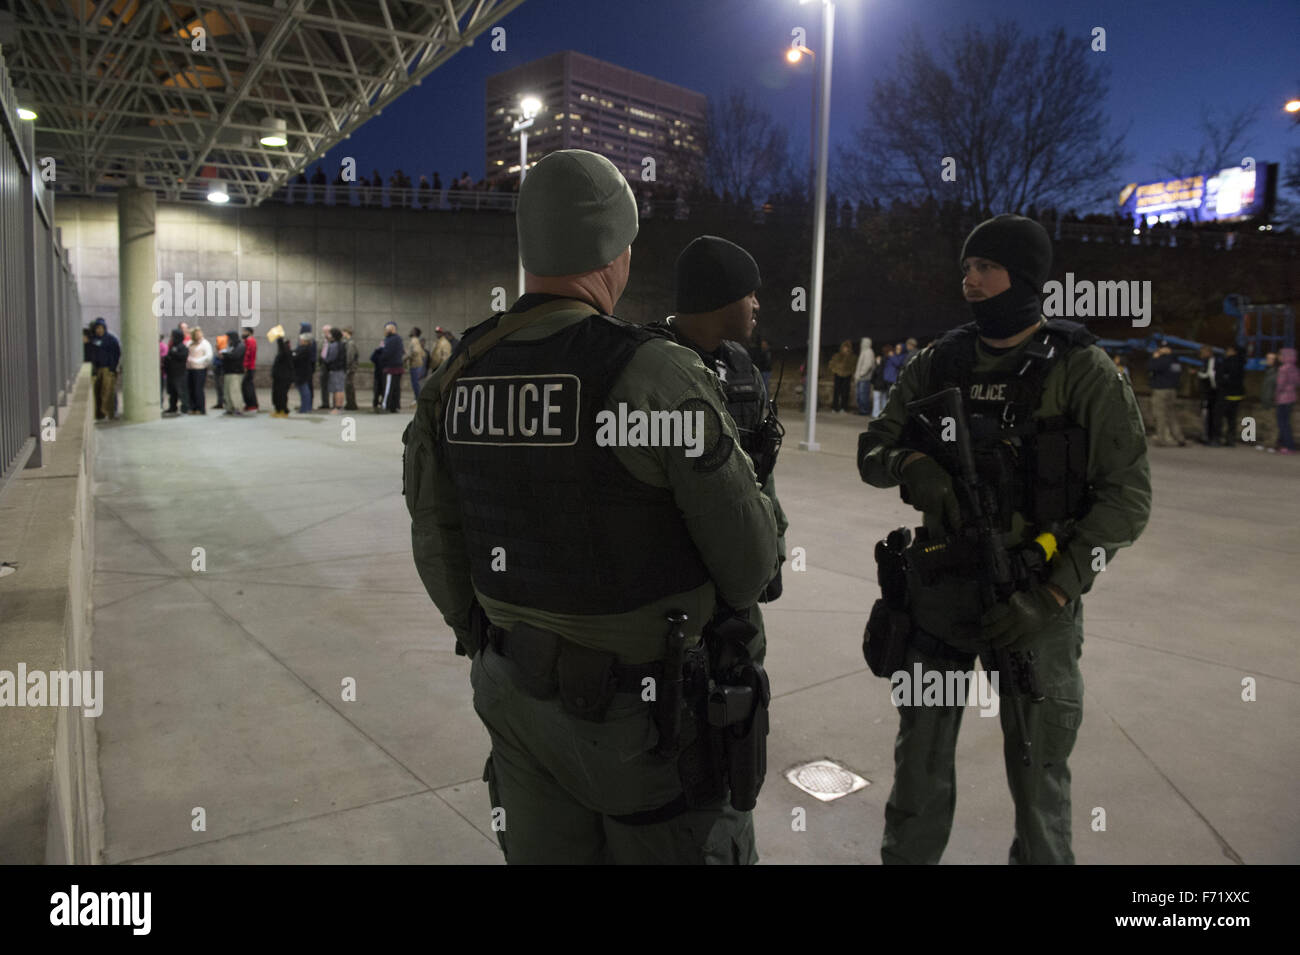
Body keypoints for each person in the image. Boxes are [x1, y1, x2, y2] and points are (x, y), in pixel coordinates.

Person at [402, 149, 778, 864]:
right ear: (615, 251)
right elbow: (751, 566)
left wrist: (494, 634)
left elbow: (436, 537)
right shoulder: (652, 372)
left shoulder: (458, 373)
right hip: (640, 725)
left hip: (515, 698)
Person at [857, 213, 1151, 865]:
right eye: (965, 268)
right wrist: (914, 467)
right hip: (938, 601)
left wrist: (1052, 591)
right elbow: (874, 446)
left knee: (1038, 775)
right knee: (919, 769)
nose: (970, 281)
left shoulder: (1083, 369)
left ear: (1024, 277)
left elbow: (1128, 498)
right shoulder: (942, 361)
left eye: (985, 267)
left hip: (1033, 604)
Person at [645, 234, 789, 666]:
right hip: (672, 583)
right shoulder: (650, 363)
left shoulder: (742, 367)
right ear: (720, 298)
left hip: (738, 575)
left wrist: (774, 546)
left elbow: (765, 472)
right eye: (749, 293)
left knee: (743, 702)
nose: (757, 304)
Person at [1148, 339, 1184, 447]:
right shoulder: (1176, 361)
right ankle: (1179, 437)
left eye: (1162, 348)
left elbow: (1150, 367)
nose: (1160, 350)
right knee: (1172, 415)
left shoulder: (1162, 360)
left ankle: (1162, 438)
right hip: (1172, 390)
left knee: (1160, 415)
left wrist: (1154, 358)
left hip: (1161, 390)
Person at [88, 317, 121, 421]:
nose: (99, 330)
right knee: (97, 392)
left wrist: (113, 368)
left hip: (108, 369)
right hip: (97, 369)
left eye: (101, 328)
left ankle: (110, 413)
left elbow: (117, 354)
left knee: (108, 392)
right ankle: (100, 414)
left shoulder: (111, 339)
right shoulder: (93, 340)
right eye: (97, 328)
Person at [1218, 344, 1245, 447]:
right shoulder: (1241, 363)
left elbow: (1223, 377)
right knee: (1232, 419)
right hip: (1238, 394)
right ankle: (1231, 439)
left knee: (1222, 417)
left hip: (1228, 393)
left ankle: (1221, 438)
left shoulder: (1228, 362)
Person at [1274, 348, 1298, 455]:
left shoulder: (1283, 369)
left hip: (1283, 398)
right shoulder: (1294, 368)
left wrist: (1276, 395)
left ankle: (1288, 445)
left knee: (1282, 423)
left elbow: (1280, 384)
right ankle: (1284, 444)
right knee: (1286, 422)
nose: (1279, 358)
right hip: (1292, 397)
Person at [1196, 344, 1221, 446]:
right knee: (1209, 416)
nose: (1201, 354)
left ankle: (1210, 437)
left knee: (1210, 416)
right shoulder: (1206, 362)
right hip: (1208, 393)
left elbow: (1209, 375)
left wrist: (1213, 387)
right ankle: (1208, 436)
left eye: (1203, 352)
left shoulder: (1210, 362)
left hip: (1210, 393)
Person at [377, 322, 405, 412]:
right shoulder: (399, 339)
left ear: (391, 329)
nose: (385, 331)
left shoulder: (390, 340)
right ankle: (395, 406)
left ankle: (386, 405)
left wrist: (381, 357)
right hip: (398, 367)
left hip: (391, 367)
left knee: (388, 388)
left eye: (386, 329)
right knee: (396, 388)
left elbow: (386, 353)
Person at [267, 325, 294, 418]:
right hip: (279, 378)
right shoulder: (282, 353)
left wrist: (279, 338)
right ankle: (278, 409)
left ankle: (283, 410)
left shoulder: (286, 353)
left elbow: (282, 348)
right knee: (277, 394)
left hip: (284, 378)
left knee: (281, 395)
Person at [185, 327, 212, 414]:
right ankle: (192, 407)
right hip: (190, 368)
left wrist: (198, 361)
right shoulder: (189, 343)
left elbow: (208, 356)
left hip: (200, 369)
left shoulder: (205, 343)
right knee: (191, 389)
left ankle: (200, 408)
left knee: (198, 389)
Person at [163, 329, 189, 415]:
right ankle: (172, 407)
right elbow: (169, 356)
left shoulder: (182, 347)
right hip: (171, 373)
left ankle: (185, 408)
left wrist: (174, 354)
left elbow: (182, 357)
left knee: (181, 391)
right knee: (172, 392)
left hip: (179, 373)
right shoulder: (173, 346)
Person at [220, 330, 246, 415]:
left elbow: (235, 356)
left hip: (236, 372)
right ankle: (229, 407)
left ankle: (238, 408)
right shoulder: (231, 346)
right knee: (227, 391)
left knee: (234, 391)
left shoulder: (240, 346)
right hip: (228, 371)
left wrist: (225, 355)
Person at [324, 327, 347, 413]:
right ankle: (338, 407)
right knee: (339, 388)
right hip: (339, 368)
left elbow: (331, 358)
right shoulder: (340, 344)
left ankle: (338, 407)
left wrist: (325, 360)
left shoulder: (335, 345)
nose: (328, 336)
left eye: (330, 334)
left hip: (336, 369)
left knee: (338, 389)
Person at [829, 340, 855, 413]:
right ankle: (835, 407)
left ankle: (844, 407)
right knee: (836, 392)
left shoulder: (852, 357)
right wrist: (835, 370)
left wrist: (850, 372)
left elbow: (853, 366)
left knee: (845, 392)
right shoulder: (837, 355)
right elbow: (831, 364)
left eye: (847, 347)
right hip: (838, 374)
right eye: (844, 347)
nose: (846, 349)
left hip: (847, 375)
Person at [853, 337, 876, 415]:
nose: (861, 344)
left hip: (864, 378)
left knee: (863, 395)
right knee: (859, 395)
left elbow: (868, 365)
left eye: (863, 342)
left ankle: (864, 410)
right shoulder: (864, 352)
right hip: (861, 378)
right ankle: (861, 409)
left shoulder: (868, 352)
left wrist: (860, 374)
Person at [293, 333, 316, 413]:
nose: (300, 341)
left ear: (305, 341)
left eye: (301, 340)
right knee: (304, 390)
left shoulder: (305, 349)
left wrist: (294, 354)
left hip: (302, 372)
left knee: (304, 390)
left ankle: (305, 408)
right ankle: (305, 407)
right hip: (302, 372)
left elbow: (296, 356)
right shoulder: (303, 348)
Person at [406, 327, 430, 398]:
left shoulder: (414, 340)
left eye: (412, 330)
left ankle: (418, 399)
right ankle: (418, 398)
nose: (410, 331)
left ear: (415, 333)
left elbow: (414, 352)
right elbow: (423, 353)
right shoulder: (417, 341)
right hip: (418, 365)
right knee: (417, 383)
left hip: (415, 365)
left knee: (415, 384)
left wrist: (405, 358)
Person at [871, 343, 893, 417]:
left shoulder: (881, 359)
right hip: (885, 382)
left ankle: (876, 414)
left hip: (878, 382)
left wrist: (877, 364)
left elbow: (877, 371)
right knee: (884, 398)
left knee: (877, 399)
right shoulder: (891, 360)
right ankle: (883, 414)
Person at [240, 327, 259, 413]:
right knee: (247, 386)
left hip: (249, 367)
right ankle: (250, 404)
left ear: (249, 332)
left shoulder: (249, 341)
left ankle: (251, 404)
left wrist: (245, 366)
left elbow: (248, 354)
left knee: (247, 386)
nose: (243, 333)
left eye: (244, 331)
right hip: (250, 366)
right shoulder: (250, 341)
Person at [317, 324, 334, 410]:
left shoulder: (334, 341)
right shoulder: (322, 341)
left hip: (332, 365)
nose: (325, 333)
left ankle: (335, 404)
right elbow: (319, 352)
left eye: (327, 332)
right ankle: (325, 403)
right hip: (323, 365)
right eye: (324, 332)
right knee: (323, 385)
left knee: (334, 385)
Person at [342, 327, 360, 410]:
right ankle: (350, 403)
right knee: (348, 386)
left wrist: (347, 367)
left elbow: (350, 357)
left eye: (343, 332)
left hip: (350, 368)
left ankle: (351, 404)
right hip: (351, 367)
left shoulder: (350, 343)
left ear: (347, 333)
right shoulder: (348, 342)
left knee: (349, 386)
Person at [212, 332, 228, 409]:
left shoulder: (223, 351)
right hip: (217, 370)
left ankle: (224, 401)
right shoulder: (218, 350)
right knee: (218, 387)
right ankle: (220, 402)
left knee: (222, 387)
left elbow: (222, 360)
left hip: (221, 370)